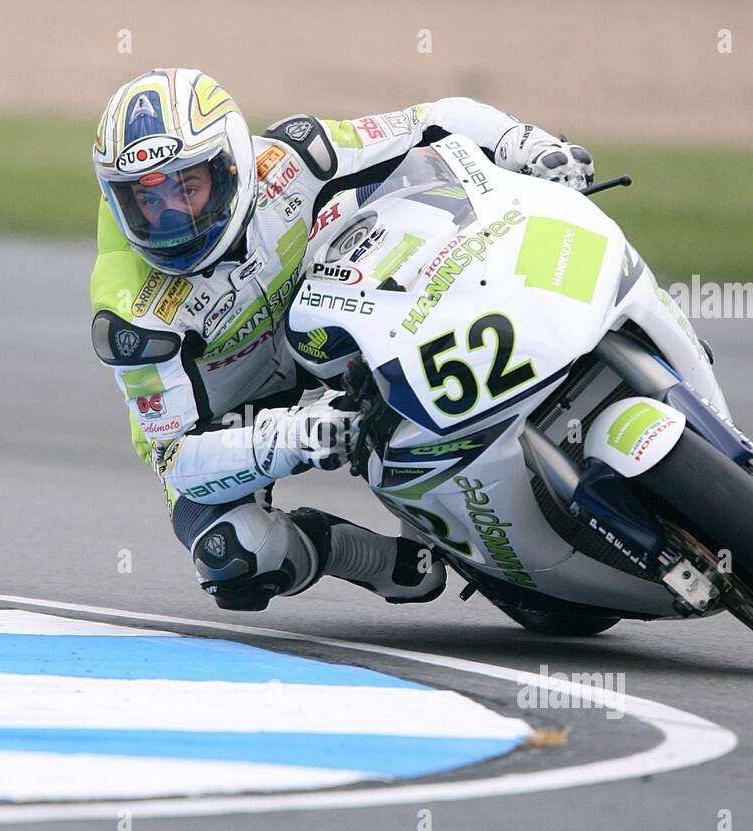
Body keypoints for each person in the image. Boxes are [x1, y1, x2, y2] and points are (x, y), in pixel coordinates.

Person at [90, 67, 595, 611]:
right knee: (233, 557)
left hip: (321, 323)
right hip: (228, 415)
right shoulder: (130, 320)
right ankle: (369, 556)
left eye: (187, 188)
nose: (172, 219)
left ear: (232, 165)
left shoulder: (292, 160)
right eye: (147, 202)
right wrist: (293, 437)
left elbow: (429, 122)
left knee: (369, 271)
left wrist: (528, 146)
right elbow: (178, 458)